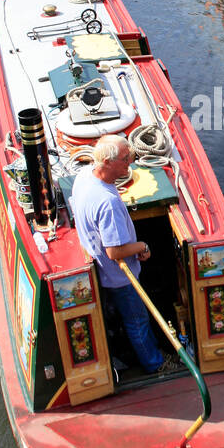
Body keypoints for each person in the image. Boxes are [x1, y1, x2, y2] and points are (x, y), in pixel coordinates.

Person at [70, 136, 179, 376]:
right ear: (107, 162)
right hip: (120, 277)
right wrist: (142, 245)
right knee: (137, 321)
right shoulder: (107, 202)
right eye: (125, 158)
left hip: (102, 272)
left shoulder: (83, 177)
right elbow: (114, 251)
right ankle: (155, 363)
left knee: (126, 316)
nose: (131, 161)